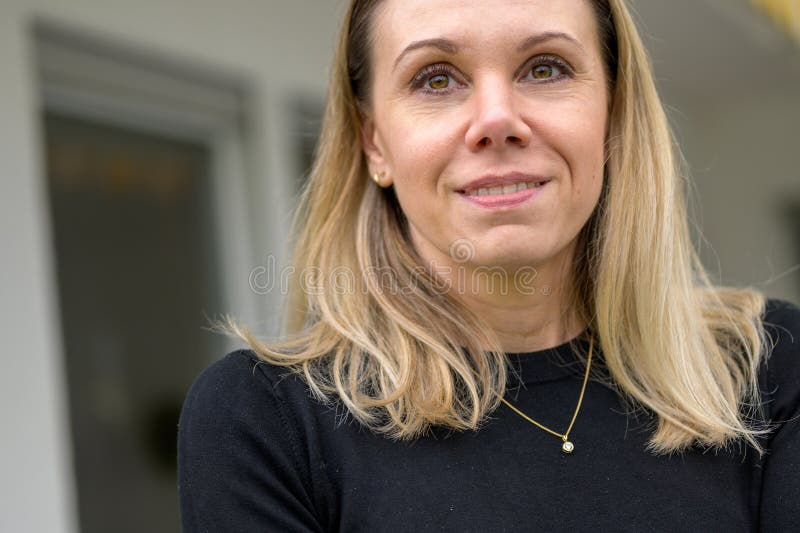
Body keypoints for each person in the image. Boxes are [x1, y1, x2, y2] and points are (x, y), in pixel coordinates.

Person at [177, 0, 800, 531]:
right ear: (375, 144)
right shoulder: (265, 423)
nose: (497, 120)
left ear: (612, 115)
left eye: (546, 67)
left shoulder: (770, 368)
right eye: (436, 79)